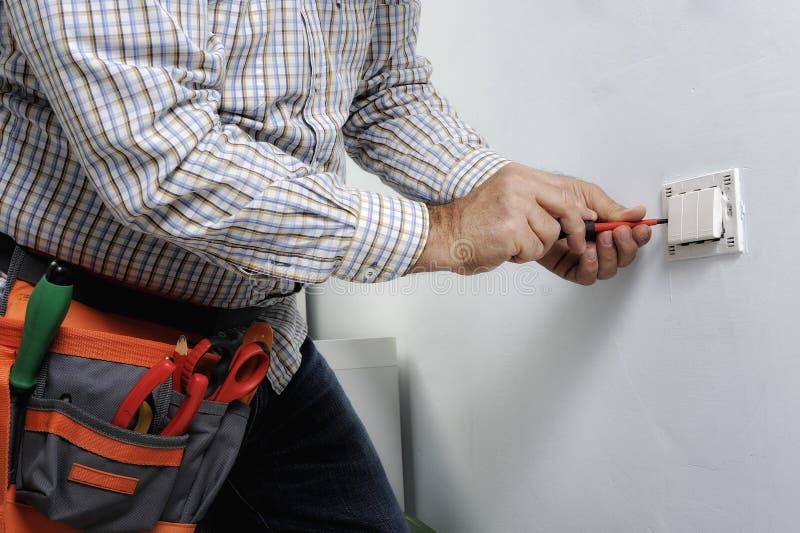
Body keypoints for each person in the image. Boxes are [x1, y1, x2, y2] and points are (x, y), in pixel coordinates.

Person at [0, 0, 652, 531]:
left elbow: (384, 90)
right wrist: (446, 232)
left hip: (260, 352)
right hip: (73, 347)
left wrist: (504, 196)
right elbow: (164, 162)